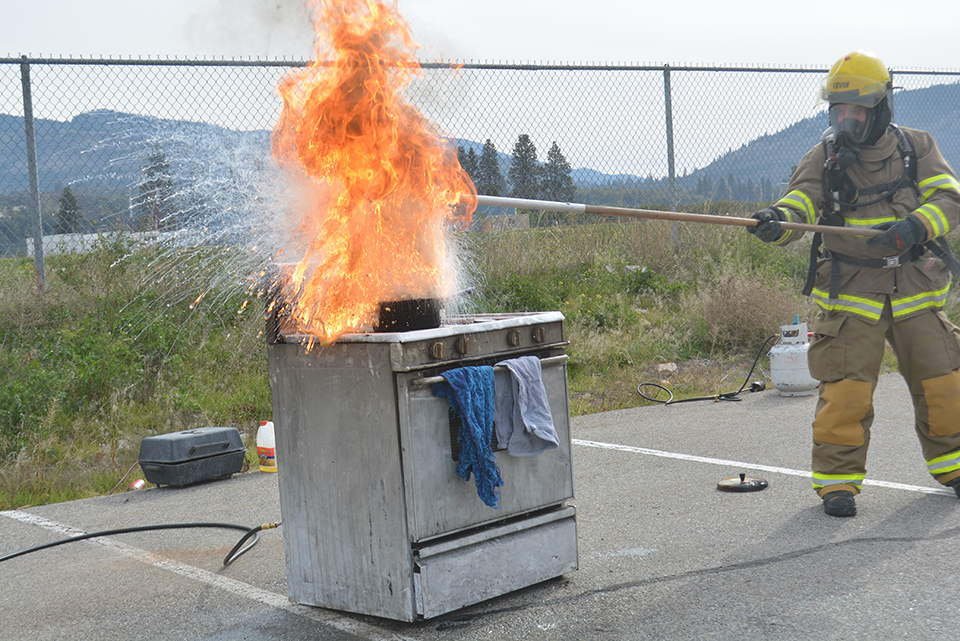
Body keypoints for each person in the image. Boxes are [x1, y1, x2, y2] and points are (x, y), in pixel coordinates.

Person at [747, 50, 960, 517]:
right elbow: (800, 202)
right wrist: (776, 221)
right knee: (845, 392)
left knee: (943, 383)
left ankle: (954, 466)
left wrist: (915, 228)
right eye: (839, 110)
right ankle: (837, 484)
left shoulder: (916, 146)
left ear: (879, 108)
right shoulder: (823, 156)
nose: (847, 119)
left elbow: (949, 197)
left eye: (856, 111)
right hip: (853, 293)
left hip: (915, 288)